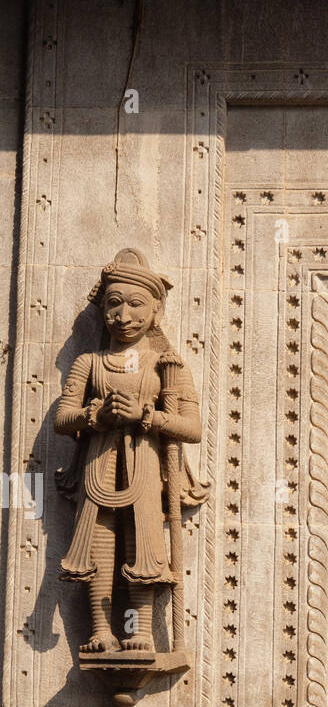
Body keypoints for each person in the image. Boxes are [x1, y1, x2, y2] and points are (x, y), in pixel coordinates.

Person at [55, 249, 208, 654]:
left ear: (155, 312)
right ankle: (101, 630)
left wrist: (148, 417)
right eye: (113, 304)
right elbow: (62, 418)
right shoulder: (89, 363)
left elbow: (190, 428)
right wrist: (96, 416)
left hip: (145, 464)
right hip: (98, 464)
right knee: (96, 543)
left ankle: (140, 630)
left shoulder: (168, 366)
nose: (123, 315)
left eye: (135, 304)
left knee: (143, 543)